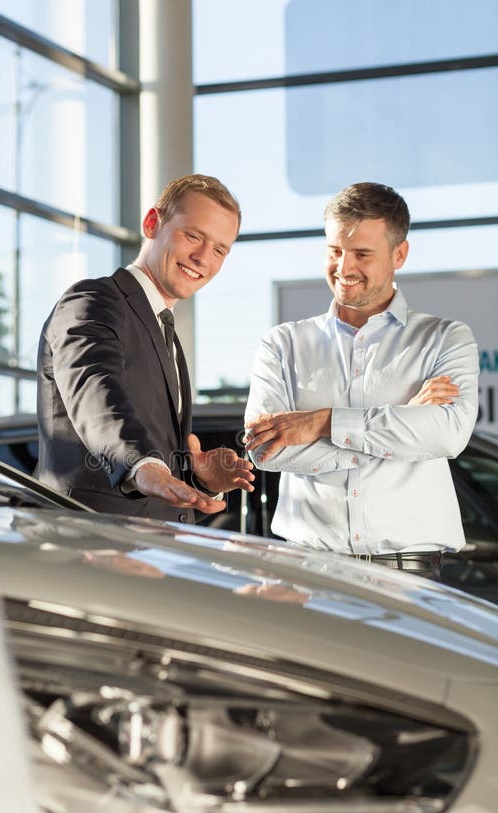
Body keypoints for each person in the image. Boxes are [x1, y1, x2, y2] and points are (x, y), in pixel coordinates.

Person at [244, 182, 479, 580]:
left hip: (411, 579)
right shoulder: (283, 344)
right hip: (306, 576)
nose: (344, 267)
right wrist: (401, 427)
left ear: (399, 254)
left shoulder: (445, 339)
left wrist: (322, 423)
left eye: (362, 254)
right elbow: (266, 450)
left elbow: (448, 436)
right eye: (334, 251)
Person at [36, 173, 254, 521]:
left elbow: (161, 485)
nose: (203, 257)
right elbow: (95, 390)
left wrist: (199, 480)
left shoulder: (165, 332)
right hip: (90, 545)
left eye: (219, 249)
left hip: (151, 553)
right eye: (193, 236)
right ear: (153, 223)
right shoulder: (93, 301)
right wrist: (140, 464)